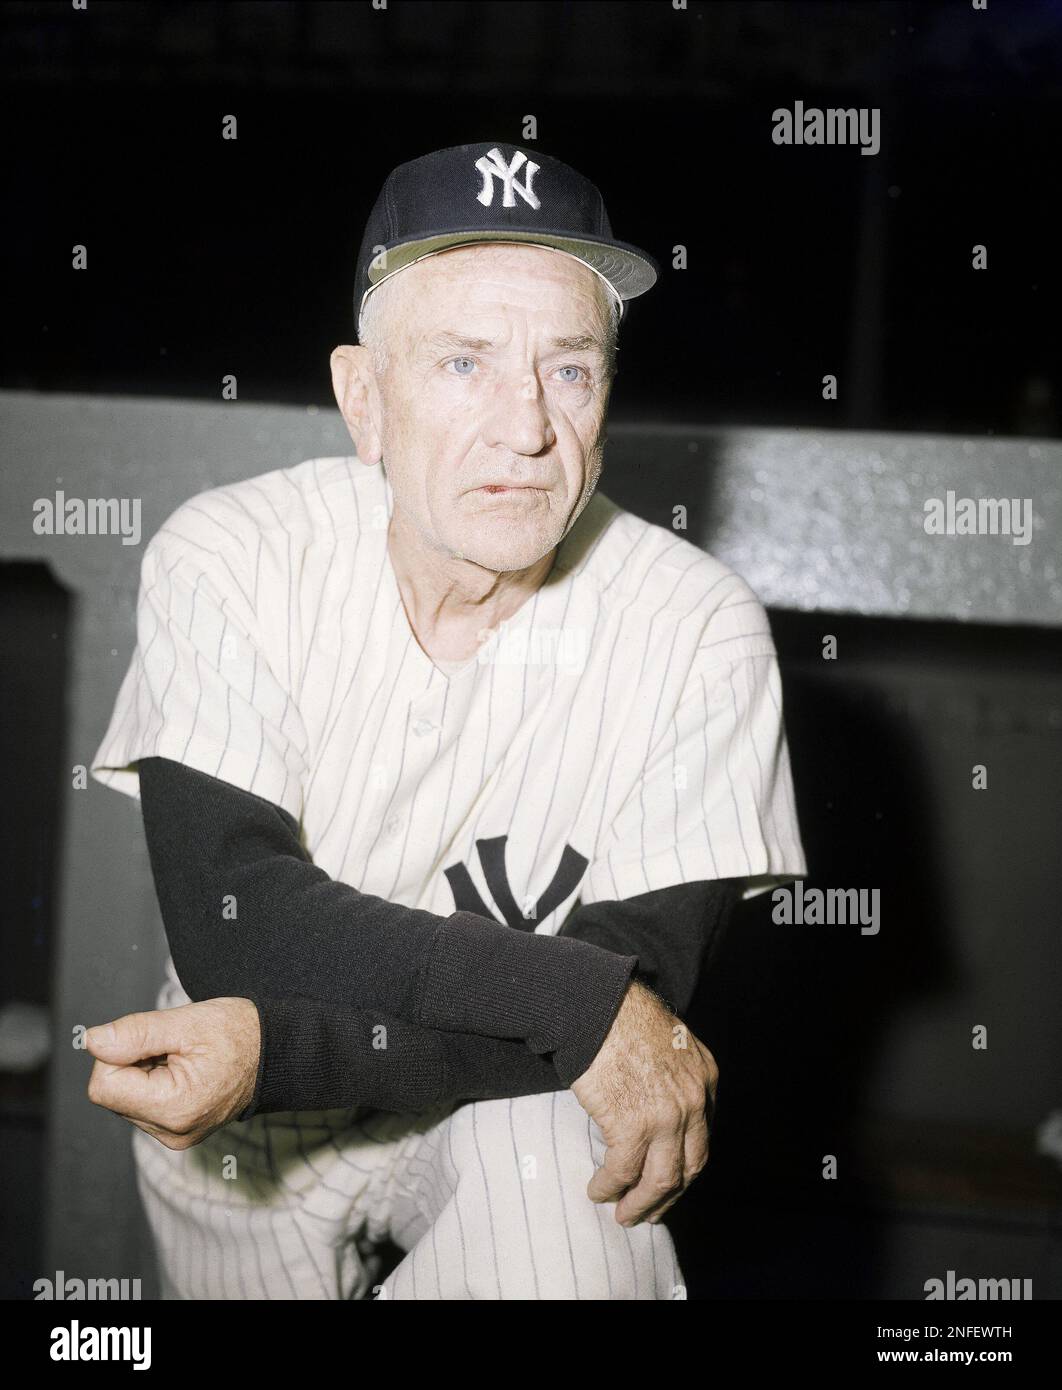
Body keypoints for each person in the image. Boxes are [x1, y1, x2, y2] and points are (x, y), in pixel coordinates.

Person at [84, 142, 807, 1300]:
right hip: (240, 1137)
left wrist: (285, 1048)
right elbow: (238, 916)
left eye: (568, 370)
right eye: (464, 363)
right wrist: (579, 998)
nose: (525, 427)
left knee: (564, 1166)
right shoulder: (232, 555)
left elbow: (643, 997)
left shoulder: (699, 625)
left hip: (486, 1101)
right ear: (363, 401)